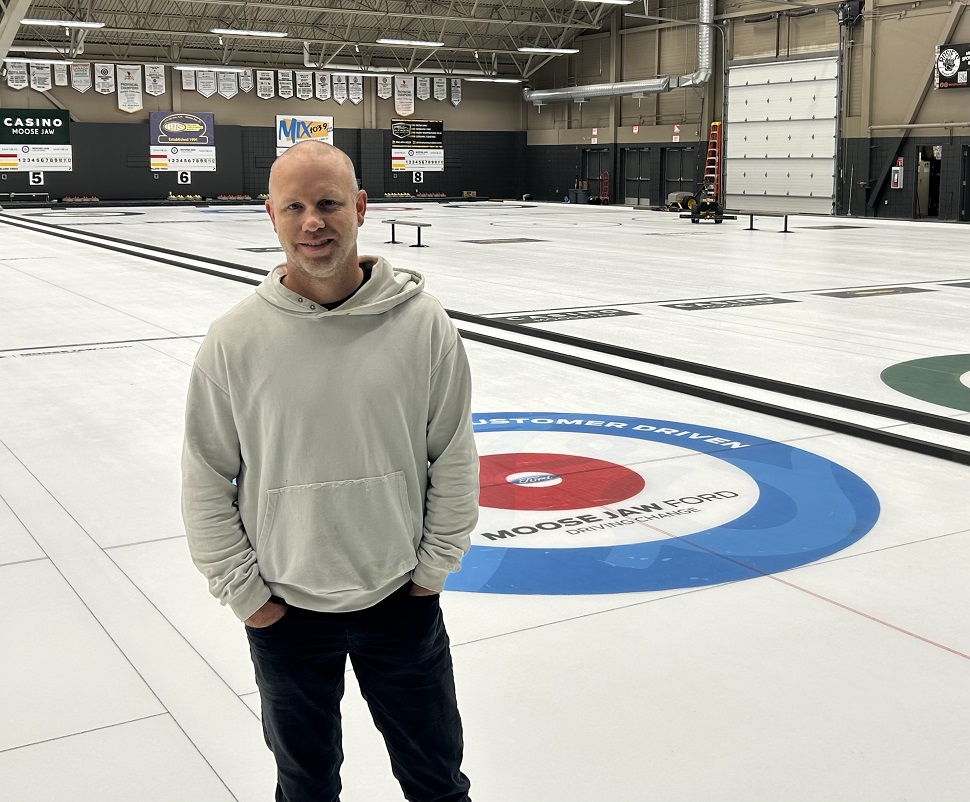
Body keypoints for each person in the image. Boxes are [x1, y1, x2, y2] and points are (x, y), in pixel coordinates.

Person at [181, 140, 479, 802]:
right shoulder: (234, 340)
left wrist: (431, 572)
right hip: (286, 612)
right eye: (294, 207)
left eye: (328, 203)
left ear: (360, 208)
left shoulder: (423, 325)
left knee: (437, 783)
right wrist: (247, 597)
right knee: (306, 788)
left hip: (401, 602)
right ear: (272, 216)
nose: (312, 222)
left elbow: (453, 455)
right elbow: (205, 477)